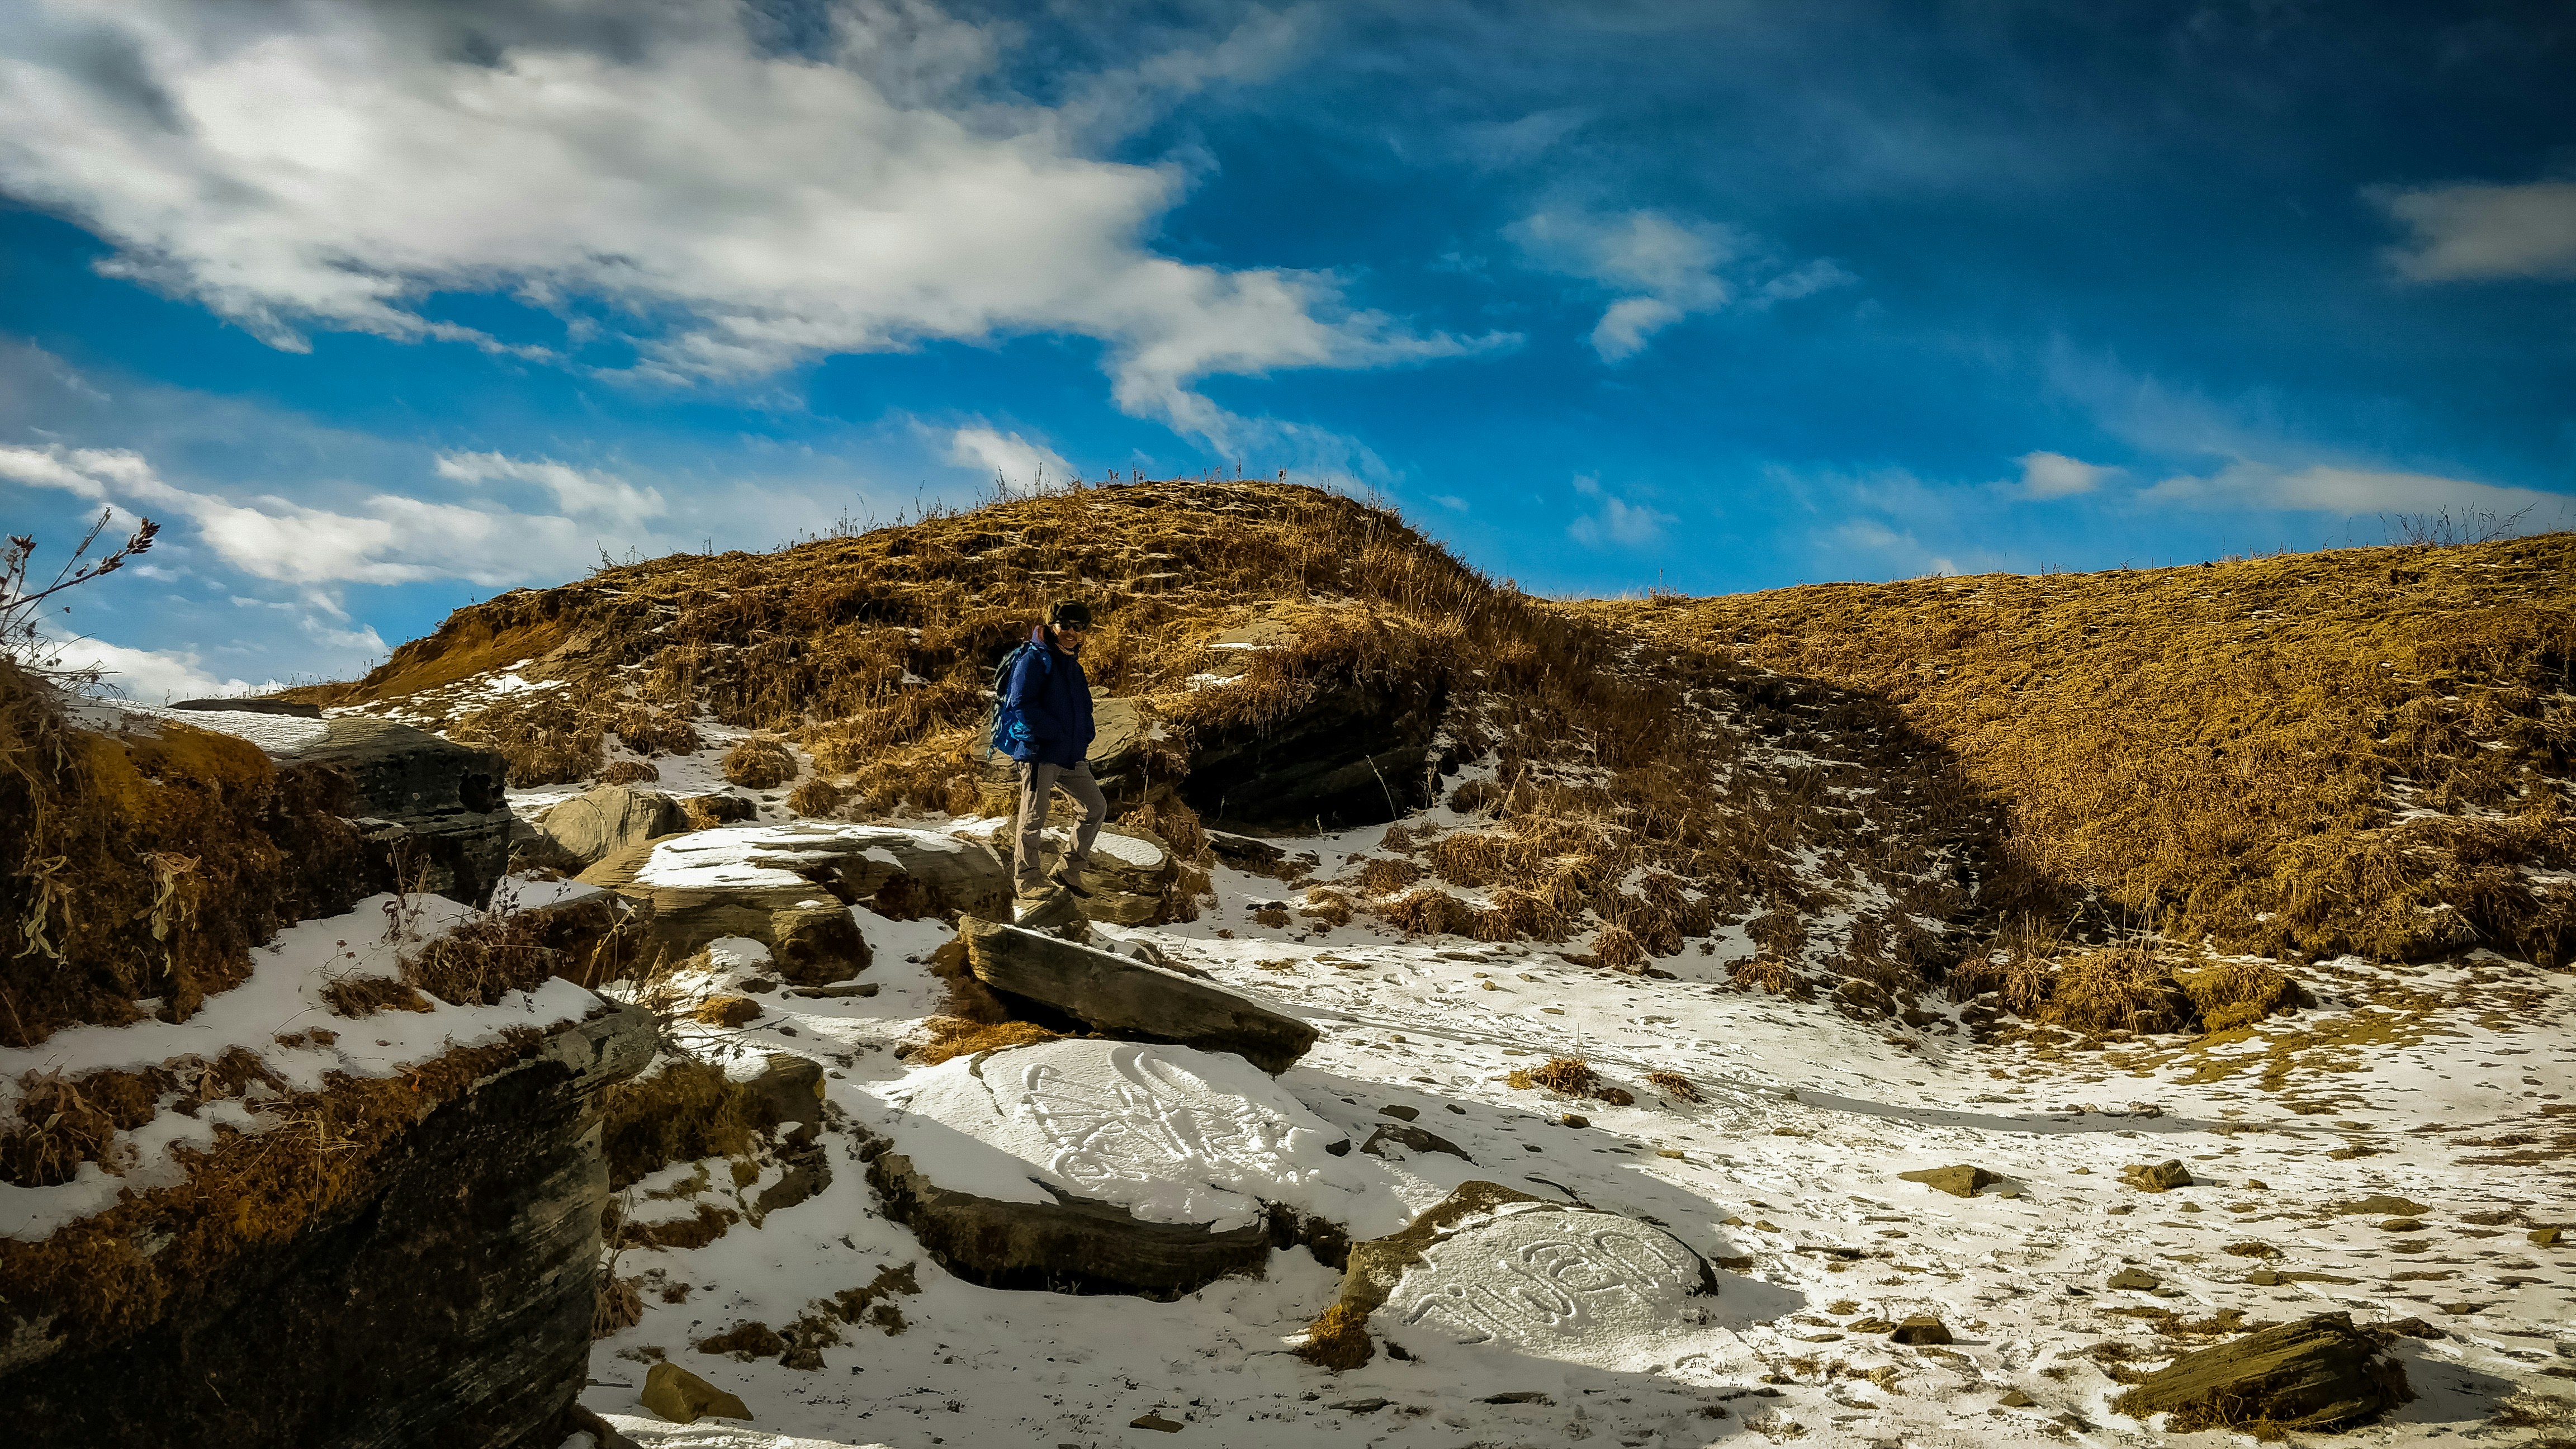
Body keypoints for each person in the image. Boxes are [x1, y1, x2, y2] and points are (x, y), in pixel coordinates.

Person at [997, 600, 1104, 897]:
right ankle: (1027, 881)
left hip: (1070, 755)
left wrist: (1084, 734)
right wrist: (1054, 733)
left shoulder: (1071, 663)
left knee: (1095, 808)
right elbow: (1020, 703)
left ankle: (1067, 871)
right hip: (1039, 753)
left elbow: (1083, 707)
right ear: (1053, 625)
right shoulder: (1034, 658)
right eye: (1065, 625)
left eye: (1079, 627)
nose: (1072, 631)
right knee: (1032, 818)